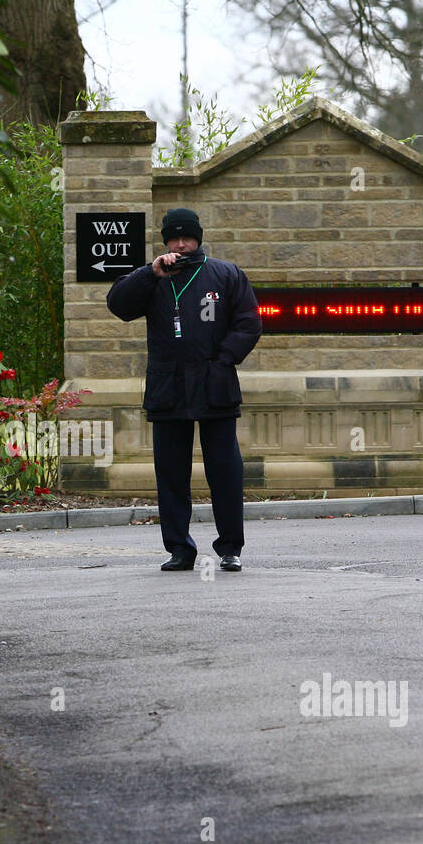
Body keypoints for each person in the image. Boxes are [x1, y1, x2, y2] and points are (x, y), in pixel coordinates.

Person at [106, 208, 261, 572]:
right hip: (168, 387)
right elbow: (118, 305)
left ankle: (230, 547)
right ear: (165, 242)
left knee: (225, 470)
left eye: (187, 237)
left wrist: (223, 360)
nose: (180, 244)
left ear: (198, 238)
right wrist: (150, 272)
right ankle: (179, 548)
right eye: (174, 238)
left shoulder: (225, 274)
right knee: (171, 473)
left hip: (215, 386)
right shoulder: (155, 275)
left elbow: (249, 322)